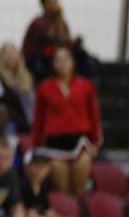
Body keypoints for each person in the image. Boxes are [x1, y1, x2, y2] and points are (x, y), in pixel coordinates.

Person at [31, 45, 101, 196]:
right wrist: (36, 145)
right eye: (58, 60)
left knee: (80, 184)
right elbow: (39, 119)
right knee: (62, 188)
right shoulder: (44, 88)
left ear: (72, 62)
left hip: (80, 141)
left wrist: (95, 141)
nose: (61, 63)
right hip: (55, 143)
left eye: (65, 59)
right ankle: (65, 211)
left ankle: (79, 214)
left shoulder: (86, 86)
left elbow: (94, 114)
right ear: (53, 64)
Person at [21, 0, 81, 81]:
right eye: (50, 3)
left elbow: (66, 41)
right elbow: (49, 37)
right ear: (43, 5)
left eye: (55, 2)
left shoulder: (62, 22)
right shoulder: (38, 22)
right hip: (41, 59)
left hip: (57, 56)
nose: (54, 5)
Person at [0, 41, 36, 130]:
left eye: (12, 52)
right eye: (5, 53)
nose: (9, 56)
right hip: (13, 121)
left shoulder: (28, 76)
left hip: (31, 118)